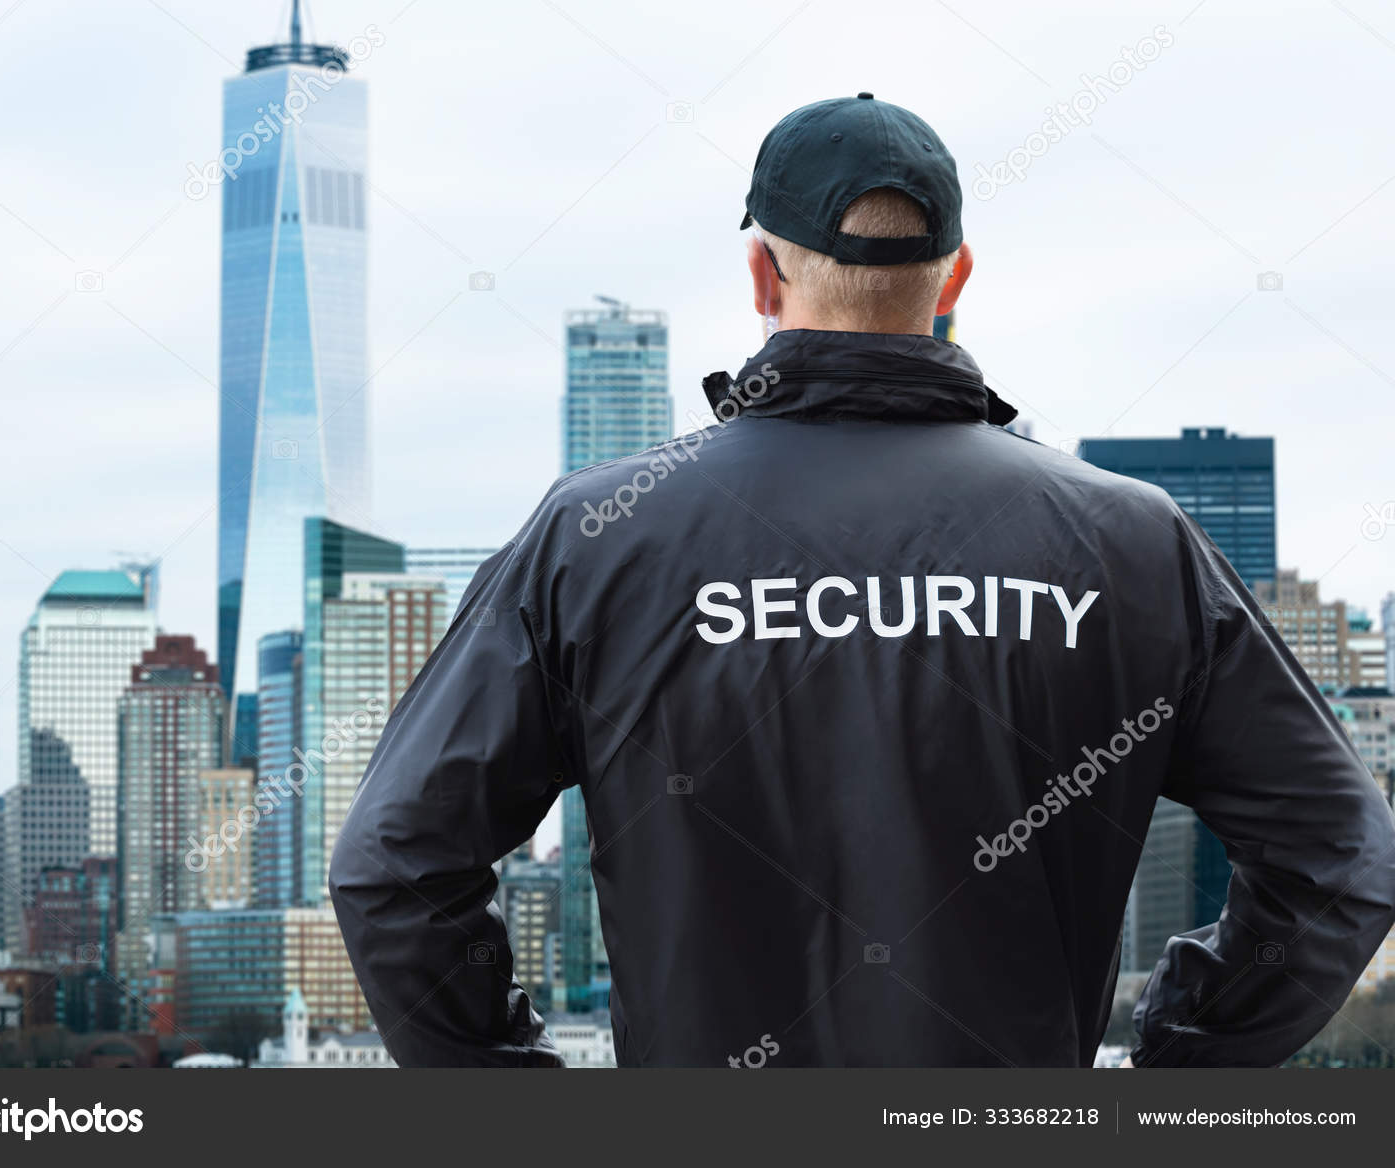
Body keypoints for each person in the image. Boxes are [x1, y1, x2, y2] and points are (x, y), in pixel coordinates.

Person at [329, 94, 1395, 1067]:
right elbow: (1342, 859)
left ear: (761, 274)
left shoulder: (595, 538)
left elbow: (395, 866)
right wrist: (1179, 1062)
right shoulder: (1130, 540)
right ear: (955, 280)